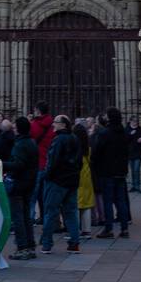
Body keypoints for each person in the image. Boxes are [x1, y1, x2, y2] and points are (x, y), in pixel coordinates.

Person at [40, 115, 81, 254]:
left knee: (51, 212)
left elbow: (52, 161)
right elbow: (79, 162)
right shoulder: (75, 139)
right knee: (71, 212)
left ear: (63, 125)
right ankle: (74, 243)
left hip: (57, 181)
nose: (53, 125)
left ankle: (46, 243)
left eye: (55, 123)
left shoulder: (58, 140)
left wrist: (47, 175)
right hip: (72, 181)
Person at [92, 106, 131, 238]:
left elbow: (97, 151)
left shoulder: (104, 133)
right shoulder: (124, 132)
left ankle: (108, 229)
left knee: (107, 200)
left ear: (109, 118)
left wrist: (95, 165)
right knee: (121, 200)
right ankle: (124, 228)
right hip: (120, 171)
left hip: (107, 171)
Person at [5, 116, 38, 259]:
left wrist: (2, 164)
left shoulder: (20, 144)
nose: (13, 127)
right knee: (26, 216)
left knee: (18, 217)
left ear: (18, 129)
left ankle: (22, 247)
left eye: (14, 126)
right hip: (29, 183)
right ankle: (30, 246)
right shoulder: (31, 142)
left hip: (18, 184)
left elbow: (18, 165)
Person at [29, 102, 54, 225]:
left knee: (33, 194)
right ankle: (46, 217)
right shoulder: (53, 124)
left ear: (38, 111)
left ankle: (30, 218)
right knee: (46, 194)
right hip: (48, 163)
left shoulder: (34, 125)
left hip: (37, 163)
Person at [74, 122, 95, 239]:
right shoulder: (88, 148)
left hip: (77, 174)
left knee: (76, 204)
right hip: (86, 174)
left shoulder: (74, 147)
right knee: (86, 204)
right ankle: (87, 230)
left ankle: (75, 228)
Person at [127, 117, 141, 193]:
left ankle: (137, 186)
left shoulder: (140, 129)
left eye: (137, 121)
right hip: (130, 153)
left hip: (138, 152)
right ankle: (133, 186)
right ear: (130, 121)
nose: (136, 122)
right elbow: (125, 139)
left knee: (136, 169)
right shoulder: (127, 129)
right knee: (132, 170)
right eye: (134, 121)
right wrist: (130, 134)